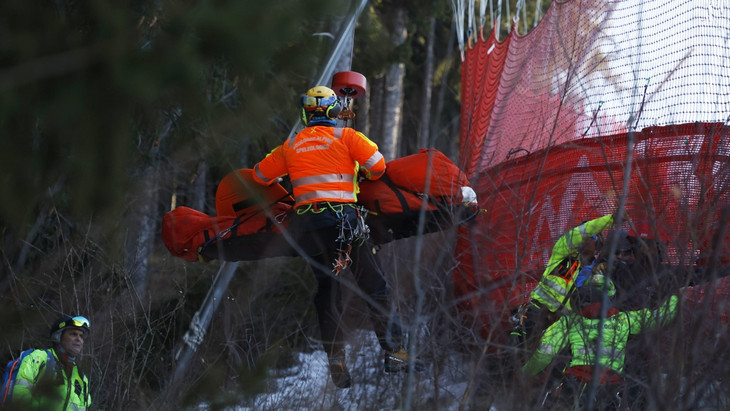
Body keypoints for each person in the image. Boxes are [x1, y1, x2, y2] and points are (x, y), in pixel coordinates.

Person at [252, 85, 413, 388]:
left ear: (306, 113)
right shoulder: (347, 137)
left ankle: (336, 360)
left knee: (328, 291)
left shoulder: (291, 145)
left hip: (308, 230)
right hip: (344, 223)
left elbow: (260, 176)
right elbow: (378, 168)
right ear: (333, 111)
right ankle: (395, 353)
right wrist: (353, 169)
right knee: (374, 286)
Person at [522, 274, 679, 409]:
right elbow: (659, 319)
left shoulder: (569, 321)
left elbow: (543, 355)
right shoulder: (623, 320)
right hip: (609, 389)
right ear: (611, 297)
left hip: (574, 386)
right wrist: (676, 297)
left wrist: (523, 375)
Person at [512, 213, 616, 348]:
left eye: (592, 240)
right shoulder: (562, 251)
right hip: (537, 312)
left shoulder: (589, 269)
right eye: (585, 237)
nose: (585, 241)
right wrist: (611, 219)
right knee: (517, 351)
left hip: (557, 324)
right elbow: (583, 232)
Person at [10, 315, 91, 409]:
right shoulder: (39, 358)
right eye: (73, 334)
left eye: (81, 336)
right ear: (58, 337)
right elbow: (20, 395)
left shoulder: (81, 376)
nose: (79, 339)